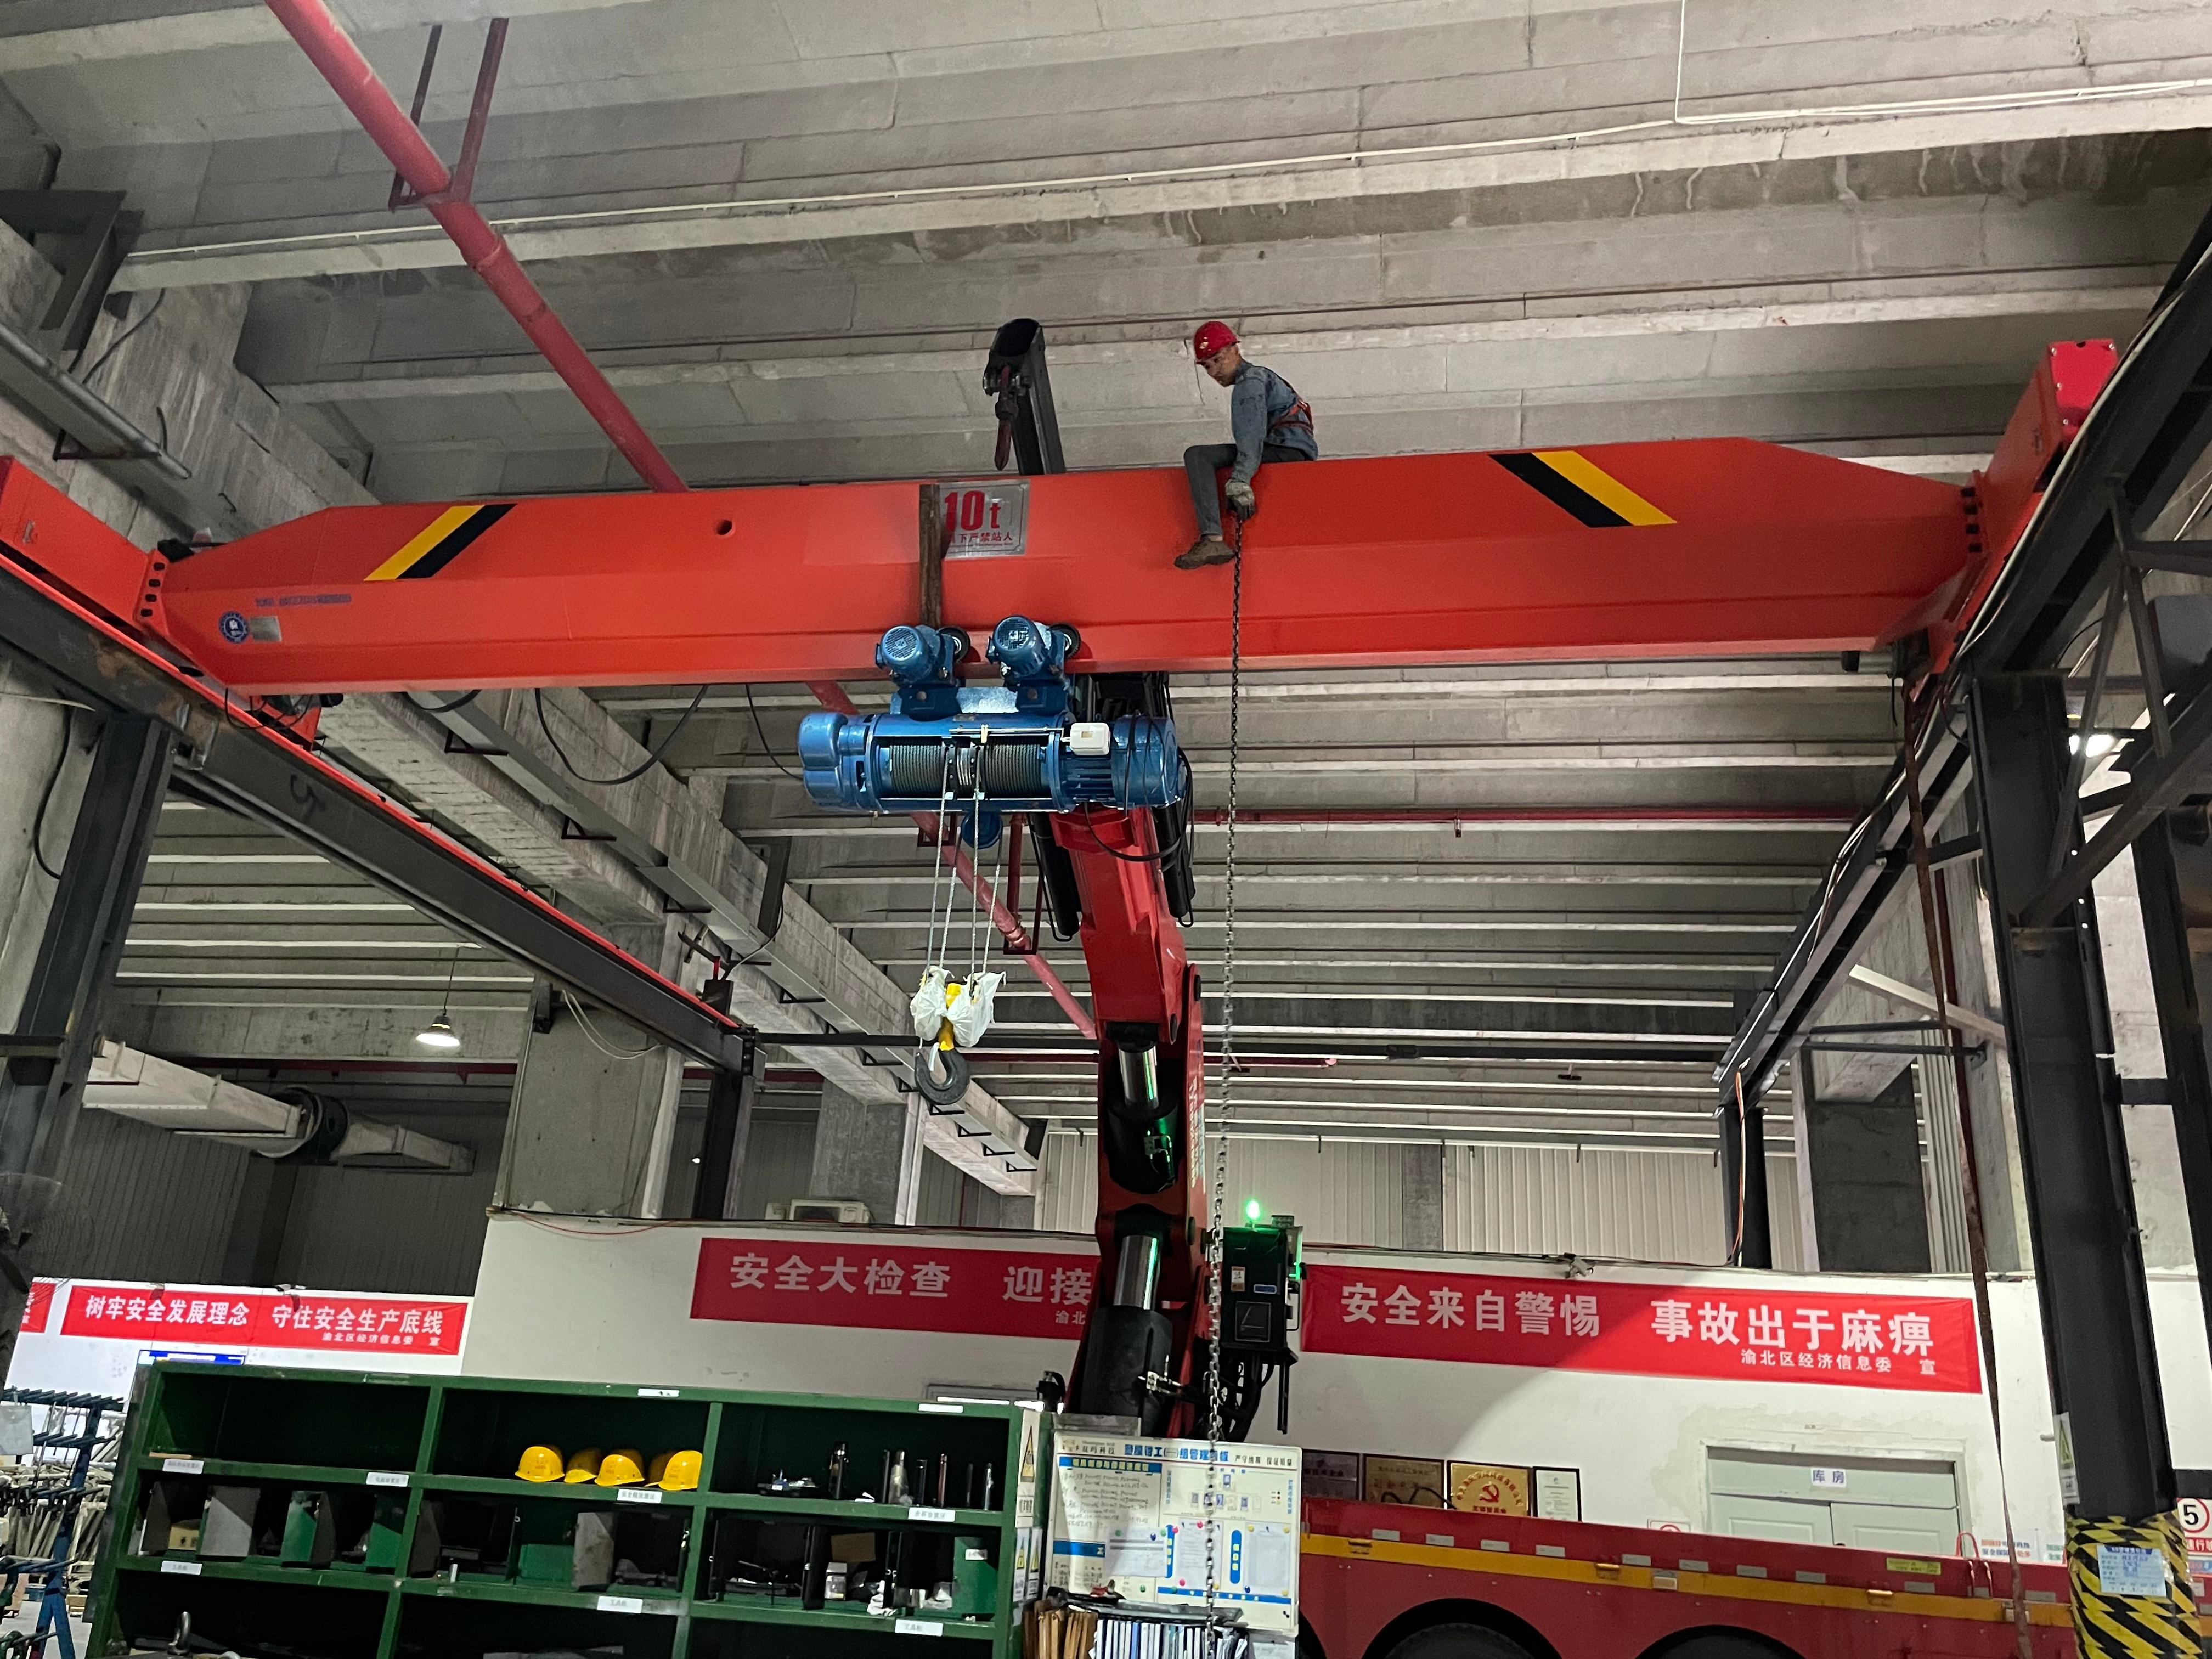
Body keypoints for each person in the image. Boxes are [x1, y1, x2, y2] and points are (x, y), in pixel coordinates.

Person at [1174, 320, 1318, 569]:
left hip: (1283, 451)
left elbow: (1250, 435)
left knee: (1198, 456)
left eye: (1217, 360)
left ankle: (1212, 539)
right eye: (1207, 366)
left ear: (1235, 349)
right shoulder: (1263, 377)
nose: (1214, 371)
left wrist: (1240, 479)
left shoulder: (1249, 383)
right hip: (1293, 450)